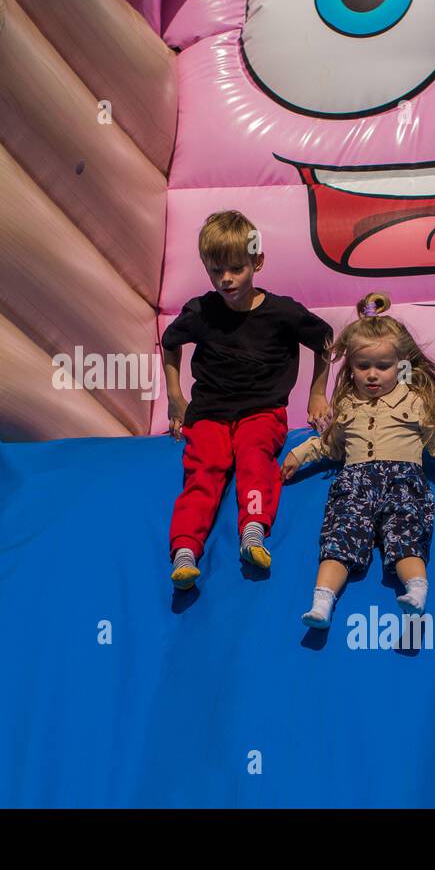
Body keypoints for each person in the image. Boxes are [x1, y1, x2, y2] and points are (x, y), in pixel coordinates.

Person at [282, 291, 435, 628]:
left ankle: (416, 591)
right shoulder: (348, 406)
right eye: (362, 366)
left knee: (407, 538)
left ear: (401, 365)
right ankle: (321, 602)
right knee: (339, 540)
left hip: (403, 484)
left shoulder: (414, 402)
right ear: (350, 366)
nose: (372, 374)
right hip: (353, 486)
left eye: (383, 366)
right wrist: (298, 455)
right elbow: (330, 445)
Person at [163, 210, 333, 589]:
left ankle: (252, 532)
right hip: (209, 411)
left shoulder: (283, 313)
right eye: (215, 271)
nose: (226, 279)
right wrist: (176, 397)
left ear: (257, 262)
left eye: (236, 269)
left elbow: (325, 340)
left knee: (255, 458)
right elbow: (170, 344)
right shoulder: (200, 311)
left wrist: (318, 393)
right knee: (203, 469)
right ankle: (185, 551)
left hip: (262, 411)